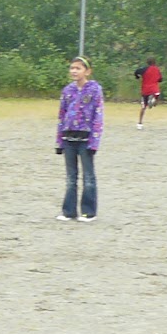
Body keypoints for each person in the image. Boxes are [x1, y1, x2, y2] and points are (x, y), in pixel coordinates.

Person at [56, 56, 104, 222]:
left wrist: (94, 141)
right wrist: (59, 140)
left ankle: (88, 211)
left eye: (78, 68)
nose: (74, 71)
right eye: (72, 68)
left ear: (87, 71)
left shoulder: (94, 89)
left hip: (86, 139)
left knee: (88, 177)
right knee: (71, 177)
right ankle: (69, 211)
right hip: (69, 137)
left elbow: (98, 116)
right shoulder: (67, 90)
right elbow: (61, 115)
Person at [136, 57, 162, 128]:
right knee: (157, 96)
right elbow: (160, 79)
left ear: (147, 62)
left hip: (145, 90)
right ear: (154, 62)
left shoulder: (144, 69)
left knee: (143, 107)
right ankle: (153, 101)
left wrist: (137, 77)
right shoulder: (157, 70)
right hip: (154, 89)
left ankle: (140, 123)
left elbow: (136, 72)